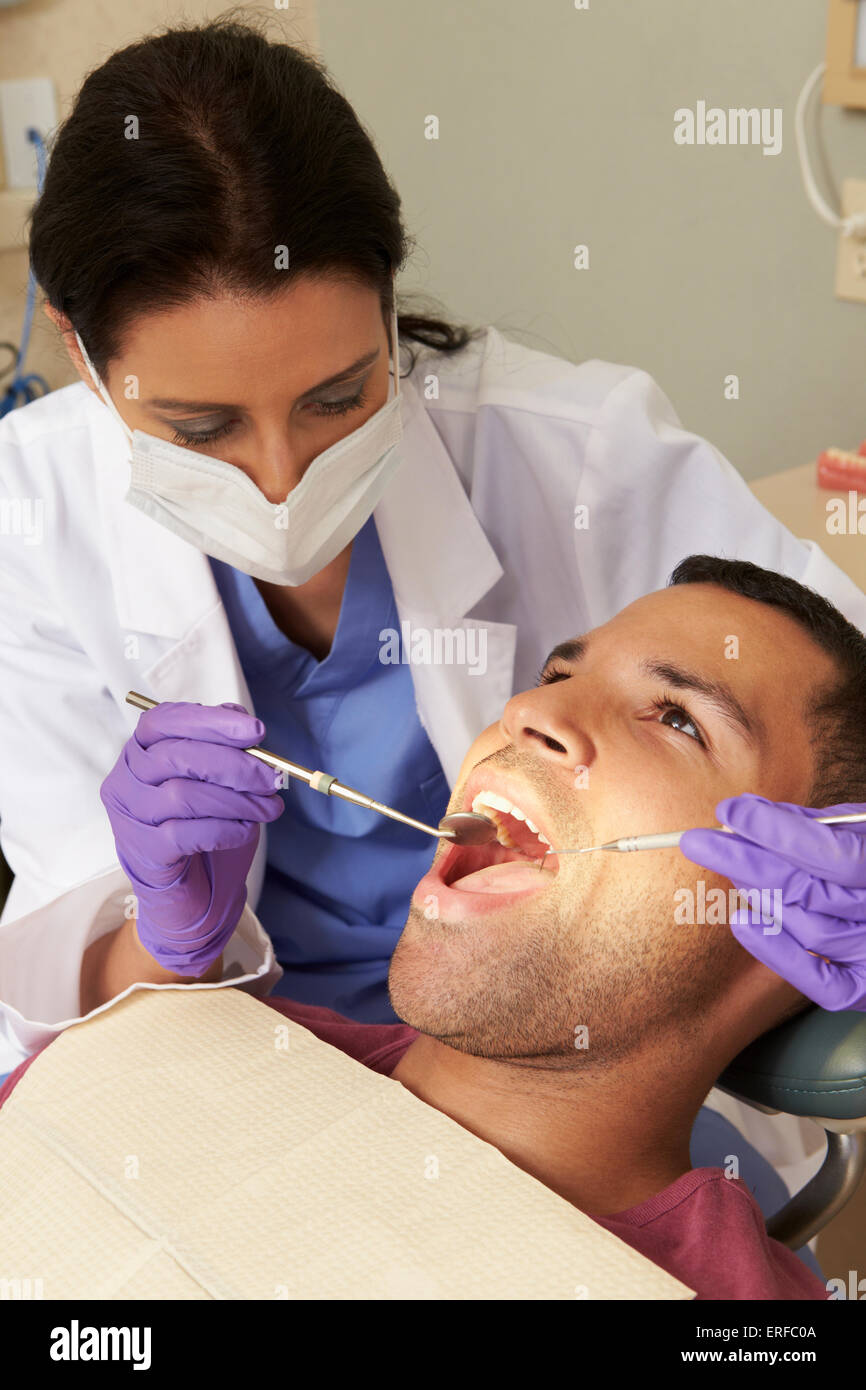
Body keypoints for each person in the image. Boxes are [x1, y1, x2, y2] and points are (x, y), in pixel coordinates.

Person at [1, 19, 865, 1200]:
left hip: (558, 1098)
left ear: (389, 307)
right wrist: (167, 930)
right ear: (81, 355)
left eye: (336, 396)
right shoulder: (29, 520)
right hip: (217, 1074)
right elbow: (68, 963)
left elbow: (830, 709)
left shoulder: (582, 460)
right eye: (200, 431)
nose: (279, 478)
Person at [6, 555, 865, 1299]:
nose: (532, 710)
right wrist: (159, 952)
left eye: (678, 717)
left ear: (806, 906)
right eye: (560, 674)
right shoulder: (193, 1041)